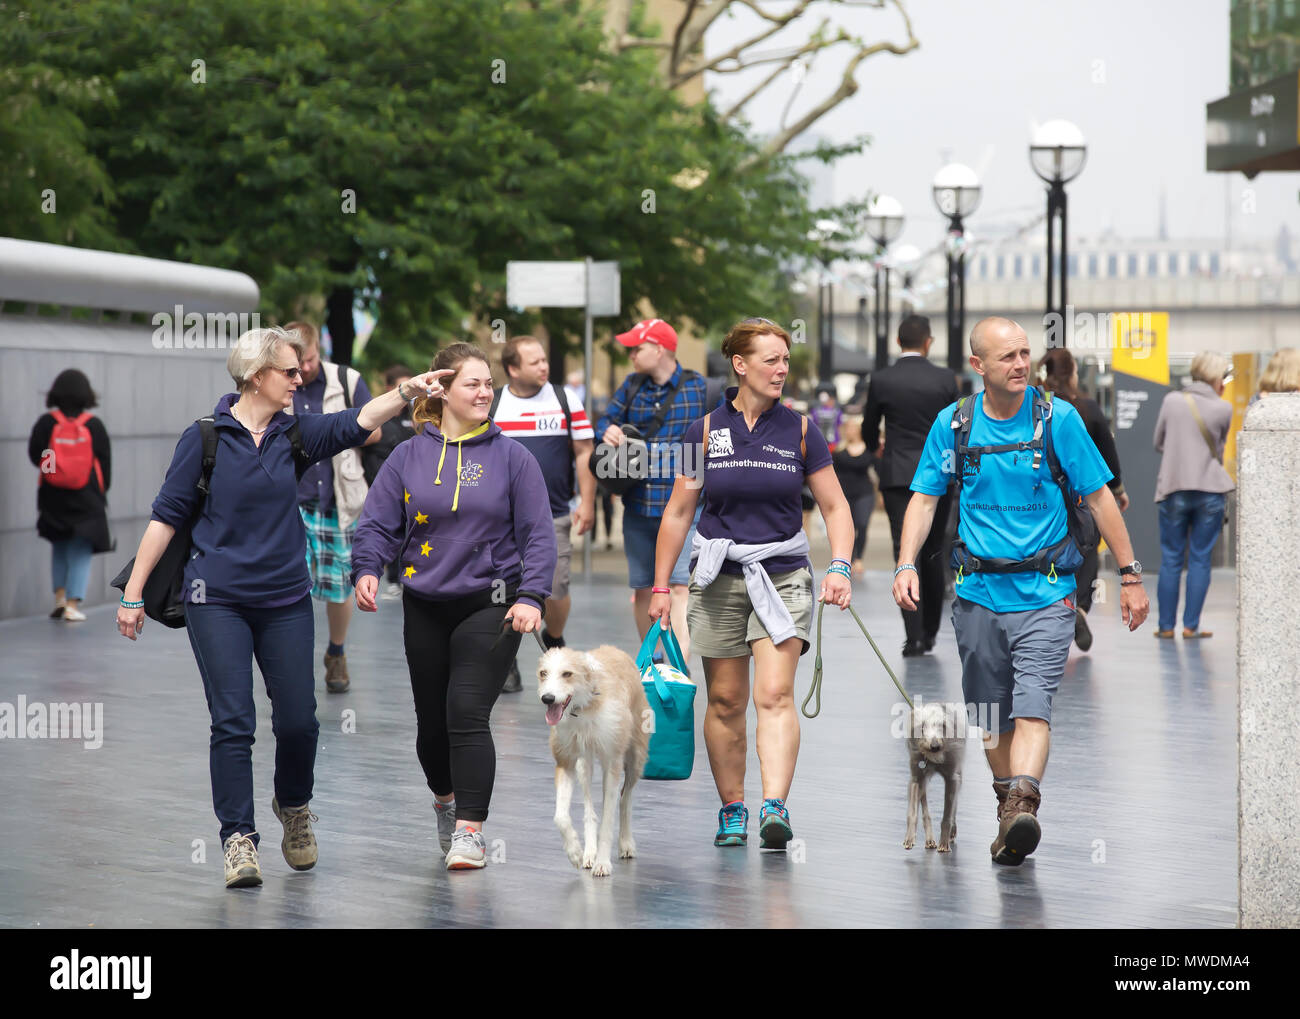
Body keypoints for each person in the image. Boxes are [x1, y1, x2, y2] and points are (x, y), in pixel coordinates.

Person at [114, 327, 444, 888]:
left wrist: (409, 391)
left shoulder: (295, 434)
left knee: (298, 720)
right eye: (289, 372)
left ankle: (293, 806)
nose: (300, 379)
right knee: (234, 720)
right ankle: (237, 839)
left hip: (287, 599)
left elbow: (355, 423)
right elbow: (166, 516)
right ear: (255, 376)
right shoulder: (206, 438)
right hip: (215, 600)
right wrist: (133, 593)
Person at [893, 317, 1149, 866]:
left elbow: (1101, 499)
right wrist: (905, 563)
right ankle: (1010, 810)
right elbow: (924, 499)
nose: (1019, 364)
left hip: (1048, 591)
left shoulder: (1060, 420)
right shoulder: (955, 424)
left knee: (1034, 706)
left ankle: (1024, 800)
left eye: (1025, 353)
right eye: (1006, 355)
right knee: (991, 716)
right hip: (978, 592)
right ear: (978, 365)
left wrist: (1129, 575)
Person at [651, 317, 854, 850]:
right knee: (723, 699)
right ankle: (732, 809)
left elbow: (835, 506)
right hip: (718, 578)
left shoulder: (802, 429)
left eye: (785, 360)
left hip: (783, 576)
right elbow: (678, 513)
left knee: (774, 693)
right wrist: (658, 587)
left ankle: (775, 807)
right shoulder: (702, 431)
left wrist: (840, 565)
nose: (782, 369)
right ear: (740, 365)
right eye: (771, 360)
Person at [351, 343, 556, 870]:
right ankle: (445, 801)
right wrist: (368, 567)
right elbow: (376, 521)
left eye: (489, 383)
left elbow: (538, 535)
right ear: (442, 390)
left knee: (466, 711)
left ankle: (471, 829)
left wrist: (532, 595)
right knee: (431, 727)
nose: (486, 391)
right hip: (425, 603)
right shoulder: (407, 455)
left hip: (491, 603)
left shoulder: (514, 458)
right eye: (473, 383)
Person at [595, 318, 707, 660]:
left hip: (686, 508)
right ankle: (652, 658)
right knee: (643, 585)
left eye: (637, 348)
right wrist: (608, 430)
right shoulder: (631, 386)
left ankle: (677, 664)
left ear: (659, 349)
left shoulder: (700, 389)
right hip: (639, 505)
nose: (631, 354)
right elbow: (604, 420)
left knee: (679, 585)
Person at [491, 336, 596, 691]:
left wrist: (588, 501)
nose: (544, 366)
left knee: (553, 587)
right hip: (501, 518)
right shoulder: (494, 404)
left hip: (554, 513)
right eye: (534, 362)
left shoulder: (566, 399)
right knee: (503, 588)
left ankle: (554, 639)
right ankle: (506, 661)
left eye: (544, 360)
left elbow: (584, 451)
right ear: (512, 368)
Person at [285, 320, 378, 693]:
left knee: (341, 586)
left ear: (316, 352)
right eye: (295, 364)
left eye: (307, 361)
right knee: (291, 588)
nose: (302, 370)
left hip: (340, 500)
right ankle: (292, 661)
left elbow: (375, 429)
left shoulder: (346, 380)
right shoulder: (279, 382)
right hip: (293, 502)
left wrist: (331, 430)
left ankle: (336, 652)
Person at [865, 314, 959, 656]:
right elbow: (956, 426)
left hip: (898, 474)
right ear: (929, 342)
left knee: (902, 550)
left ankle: (914, 634)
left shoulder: (882, 379)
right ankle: (932, 630)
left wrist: (881, 457)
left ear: (897, 342)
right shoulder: (946, 378)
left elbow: (868, 427)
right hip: (938, 472)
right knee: (934, 551)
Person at [1038, 348, 1129, 652]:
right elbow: (1107, 454)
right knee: (1087, 552)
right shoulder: (1086, 409)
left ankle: (1050, 608)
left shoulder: (1034, 408)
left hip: (1046, 500)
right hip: (1082, 500)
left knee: (1048, 552)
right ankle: (1078, 608)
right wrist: (1117, 491)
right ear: (1072, 373)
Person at [1152, 352, 1235, 640]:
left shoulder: (1172, 401)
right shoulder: (1223, 408)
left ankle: (1164, 627)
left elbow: (1158, 442)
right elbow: (1219, 449)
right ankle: (1191, 626)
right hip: (1210, 491)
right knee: (1200, 559)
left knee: (1171, 558)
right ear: (1215, 378)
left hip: (1174, 488)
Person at [28, 369, 114, 622]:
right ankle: (73, 604)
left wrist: (55, 473)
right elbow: (105, 462)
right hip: (86, 497)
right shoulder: (93, 425)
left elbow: (37, 455)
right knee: (80, 549)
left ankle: (59, 598)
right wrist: (101, 489)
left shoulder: (47, 423)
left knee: (59, 545)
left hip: (53, 495)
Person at [361, 363, 417, 600]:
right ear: (389, 387)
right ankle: (388, 578)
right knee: (385, 530)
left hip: (410, 489)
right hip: (376, 488)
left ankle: (406, 577)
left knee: (408, 531)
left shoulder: (415, 417)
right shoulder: (375, 415)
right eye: (402, 388)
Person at [831, 415, 876, 578]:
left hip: (865, 492)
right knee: (847, 527)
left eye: (852, 427)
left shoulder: (869, 448)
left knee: (862, 524)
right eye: (847, 427)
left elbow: (877, 469)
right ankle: (847, 559)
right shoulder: (839, 450)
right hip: (844, 494)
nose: (849, 430)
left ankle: (858, 558)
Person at [811, 386, 843, 450]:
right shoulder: (838, 412)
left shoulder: (815, 411)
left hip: (820, 441)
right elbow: (840, 427)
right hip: (833, 441)